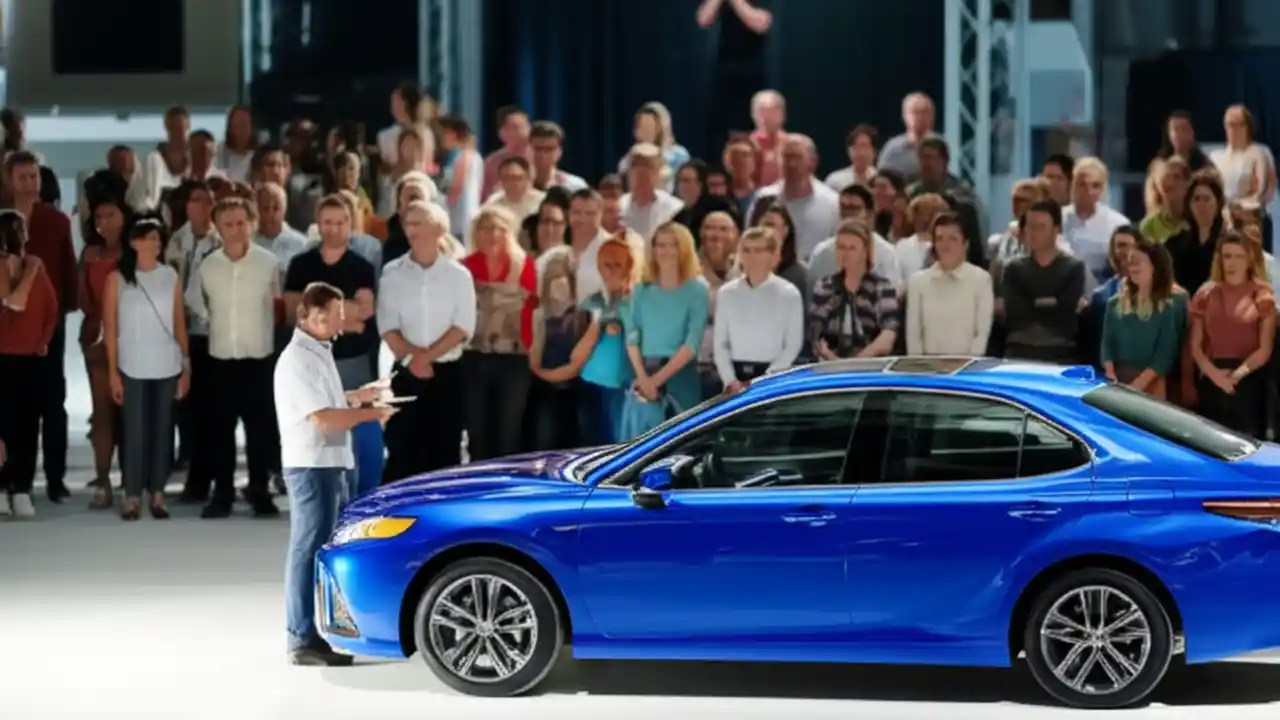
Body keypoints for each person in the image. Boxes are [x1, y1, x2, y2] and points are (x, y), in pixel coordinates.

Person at [276, 281, 395, 666]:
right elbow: (323, 419)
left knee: (318, 550)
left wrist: (357, 396)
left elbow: (328, 402)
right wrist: (370, 414)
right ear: (306, 316)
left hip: (330, 464)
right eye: (325, 316)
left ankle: (318, 633)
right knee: (307, 550)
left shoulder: (318, 351)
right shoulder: (298, 359)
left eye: (337, 316)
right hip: (313, 466)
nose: (334, 323)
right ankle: (301, 637)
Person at [187, 197, 281, 519]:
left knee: (261, 433)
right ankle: (222, 494)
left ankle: (260, 492)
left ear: (251, 224)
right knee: (220, 433)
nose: (236, 230)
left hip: (259, 359)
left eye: (242, 223)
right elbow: (195, 304)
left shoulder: (268, 263)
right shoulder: (208, 266)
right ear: (217, 228)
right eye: (228, 224)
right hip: (222, 360)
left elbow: (278, 304)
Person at [378, 200, 475, 481]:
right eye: (408, 223)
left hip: (446, 374)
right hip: (406, 373)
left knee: (444, 452)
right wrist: (412, 359)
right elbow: (387, 325)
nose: (411, 230)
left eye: (418, 223)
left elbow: (463, 326)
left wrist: (428, 356)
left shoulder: (458, 275)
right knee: (402, 451)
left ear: (438, 228)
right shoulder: (392, 273)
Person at [103, 219, 190, 521]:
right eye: (147, 238)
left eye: (157, 238)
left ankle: (157, 492)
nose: (154, 243)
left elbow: (179, 321)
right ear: (134, 243)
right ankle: (131, 493)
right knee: (134, 432)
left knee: (163, 430)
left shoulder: (170, 276)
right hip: (132, 363)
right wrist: (113, 371)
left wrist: (186, 364)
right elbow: (110, 328)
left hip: (166, 362)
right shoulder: (117, 279)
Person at [7, 150, 75, 502]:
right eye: (23, 177)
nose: (30, 184)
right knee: (14, 406)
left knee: (52, 402)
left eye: (34, 176)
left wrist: (62, 315)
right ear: (9, 180)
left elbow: (67, 269)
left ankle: (55, 478)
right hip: (7, 326)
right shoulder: (2, 220)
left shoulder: (57, 221)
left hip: (48, 324)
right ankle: (16, 481)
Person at [461, 206, 537, 460]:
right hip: (474, 356)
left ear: (510, 232)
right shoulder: (465, 268)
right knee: (477, 431)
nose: (492, 234)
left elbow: (534, 311)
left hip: (515, 359)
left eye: (499, 228)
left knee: (508, 431)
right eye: (485, 228)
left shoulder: (525, 266)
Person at [1189, 231, 1275, 437]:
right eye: (1227, 256)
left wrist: (1236, 376)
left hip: (1249, 380)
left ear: (1249, 260)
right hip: (1211, 379)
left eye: (1239, 256)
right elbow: (1196, 348)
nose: (1232, 263)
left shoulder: (1262, 295)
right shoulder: (1205, 294)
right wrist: (1216, 377)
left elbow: (1265, 349)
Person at [0, 210, 57, 518]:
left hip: (30, 358)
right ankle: (1, 486)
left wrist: (43, 340)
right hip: (2, 356)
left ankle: (22, 487)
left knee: (27, 425)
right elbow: (13, 301)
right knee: (3, 426)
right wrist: (29, 271)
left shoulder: (37, 265)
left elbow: (51, 308)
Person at [625, 222, 710, 417]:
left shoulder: (697, 290)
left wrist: (656, 381)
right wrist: (643, 379)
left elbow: (692, 343)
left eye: (673, 245)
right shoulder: (641, 290)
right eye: (660, 245)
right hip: (643, 373)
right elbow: (632, 336)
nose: (666, 250)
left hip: (680, 375)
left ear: (684, 249)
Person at [81, 194, 129, 509]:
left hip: (134, 336)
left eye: (109, 215)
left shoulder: (135, 252)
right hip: (97, 337)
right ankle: (103, 479)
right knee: (102, 411)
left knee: (131, 412)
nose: (103, 223)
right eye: (98, 217)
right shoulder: (89, 254)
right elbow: (83, 299)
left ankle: (133, 480)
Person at [713, 226, 803, 391]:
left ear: (774, 256)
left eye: (758, 251)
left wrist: (768, 379)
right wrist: (729, 380)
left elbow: (792, 345)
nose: (750, 257)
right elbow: (720, 344)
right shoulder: (727, 293)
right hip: (734, 377)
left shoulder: (789, 294)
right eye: (746, 250)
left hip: (772, 379)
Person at [1001, 201, 1087, 363]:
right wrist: (1053, 302)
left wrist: (1033, 302)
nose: (1033, 233)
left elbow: (1066, 312)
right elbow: (1016, 312)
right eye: (1029, 226)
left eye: (1040, 227)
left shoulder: (1073, 268)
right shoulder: (1014, 268)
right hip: (1019, 349)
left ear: (1056, 230)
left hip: (1061, 351)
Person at [1100, 238, 1184, 399]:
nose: (1133, 267)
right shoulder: (1114, 304)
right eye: (1131, 262)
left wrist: (1136, 387)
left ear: (1154, 266)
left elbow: (1164, 355)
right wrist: (1111, 376)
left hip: (1152, 383)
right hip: (1116, 381)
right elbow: (1107, 345)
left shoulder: (1166, 308)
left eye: (1138, 262)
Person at [577, 236, 640, 445]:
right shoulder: (591, 301)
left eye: (618, 265)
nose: (612, 271)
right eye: (607, 265)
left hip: (623, 383)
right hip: (590, 380)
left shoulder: (638, 301)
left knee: (618, 440)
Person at [808, 220, 899, 359]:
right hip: (829, 365)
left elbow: (888, 334)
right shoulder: (824, 286)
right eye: (840, 247)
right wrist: (831, 359)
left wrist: (857, 362)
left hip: (869, 366)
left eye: (852, 248)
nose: (845, 253)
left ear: (865, 252)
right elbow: (816, 331)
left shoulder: (882, 286)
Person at [905, 212, 994, 355]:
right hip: (927, 369)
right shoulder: (918, 281)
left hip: (967, 370)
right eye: (940, 239)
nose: (945, 245)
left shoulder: (981, 280)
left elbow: (981, 333)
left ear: (965, 243)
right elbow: (913, 334)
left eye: (952, 239)